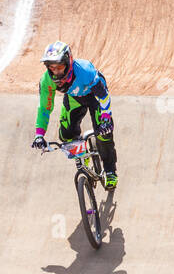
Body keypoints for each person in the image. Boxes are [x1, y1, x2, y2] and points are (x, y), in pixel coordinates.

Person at [31, 41, 118, 190]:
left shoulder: (84, 70)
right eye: (51, 68)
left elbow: (103, 97)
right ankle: (84, 153)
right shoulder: (47, 80)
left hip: (95, 97)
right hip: (74, 97)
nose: (56, 72)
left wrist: (106, 119)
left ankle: (110, 171)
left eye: (59, 67)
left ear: (68, 61)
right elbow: (44, 108)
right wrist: (39, 135)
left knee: (104, 133)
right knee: (65, 135)